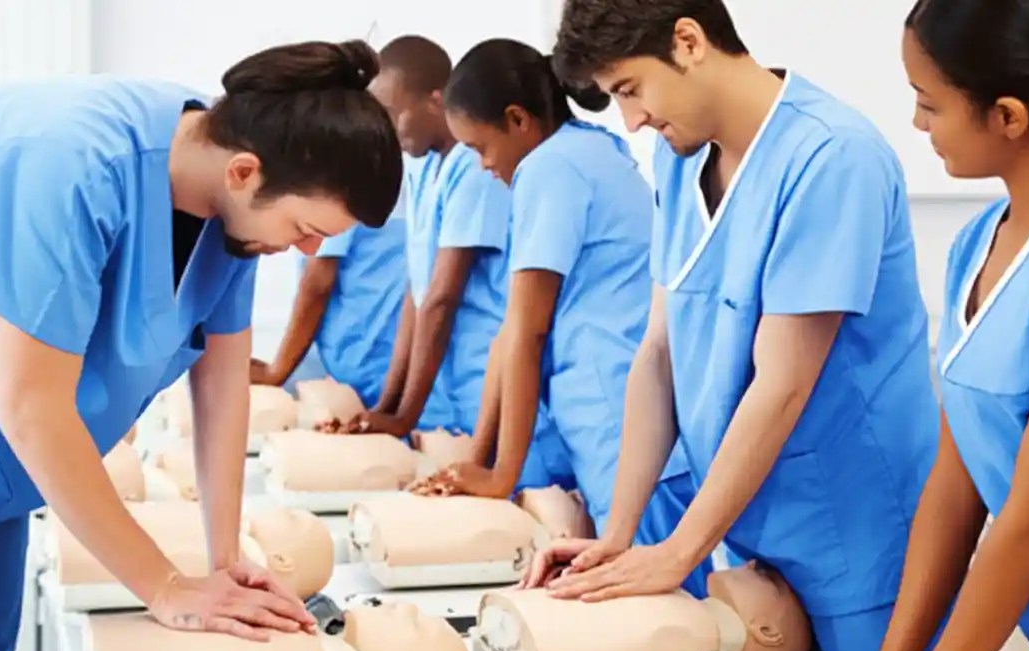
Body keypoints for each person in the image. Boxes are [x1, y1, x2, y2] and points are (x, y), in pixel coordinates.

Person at [0, 40, 402, 651]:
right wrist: (165, 588)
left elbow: (223, 384)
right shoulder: (65, 163)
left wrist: (223, 560)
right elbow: (33, 410)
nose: (308, 250)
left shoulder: (228, 209)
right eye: (304, 228)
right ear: (244, 172)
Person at [521, 1, 984, 651]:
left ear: (688, 41)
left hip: (856, 532)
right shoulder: (681, 160)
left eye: (631, 90)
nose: (632, 121)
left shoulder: (831, 158)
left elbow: (783, 383)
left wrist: (679, 552)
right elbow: (659, 354)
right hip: (757, 527)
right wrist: (620, 533)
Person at [758, 1, 1029, 651]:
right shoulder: (977, 243)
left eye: (929, 103)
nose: (917, 124)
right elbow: (955, 480)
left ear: (1008, 116)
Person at [436, 38, 711, 597]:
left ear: (518, 120)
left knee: (660, 612)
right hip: (629, 419)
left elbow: (526, 332)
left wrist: (500, 474)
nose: (483, 165)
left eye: (481, 147)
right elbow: (511, 333)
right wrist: (477, 461)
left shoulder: (550, 168)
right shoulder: (590, 149)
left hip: (621, 424)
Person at [346, 35, 520, 444]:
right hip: (451, 380)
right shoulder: (421, 166)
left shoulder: (475, 166)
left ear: (435, 101)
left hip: (486, 373)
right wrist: (385, 408)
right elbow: (419, 291)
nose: (388, 130)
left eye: (394, 114)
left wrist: (404, 418)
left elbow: (441, 299)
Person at [250, 190, 409, 408]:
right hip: (381, 361)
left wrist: (276, 372)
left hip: (363, 363)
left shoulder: (338, 183)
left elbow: (318, 283)